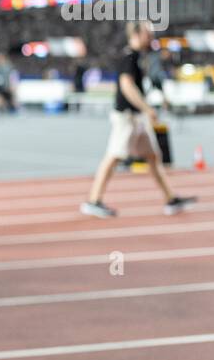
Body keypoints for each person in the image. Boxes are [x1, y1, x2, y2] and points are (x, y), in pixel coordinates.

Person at [81, 21, 197, 218]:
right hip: (127, 116)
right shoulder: (128, 57)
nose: (151, 36)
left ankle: (170, 198)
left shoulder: (140, 57)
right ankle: (93, 200)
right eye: (148, 32)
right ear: (136, 33)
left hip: (137, 117)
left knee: (153, 157)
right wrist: (147, 108)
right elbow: (127, 87)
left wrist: (154, 104)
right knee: (113, 157)